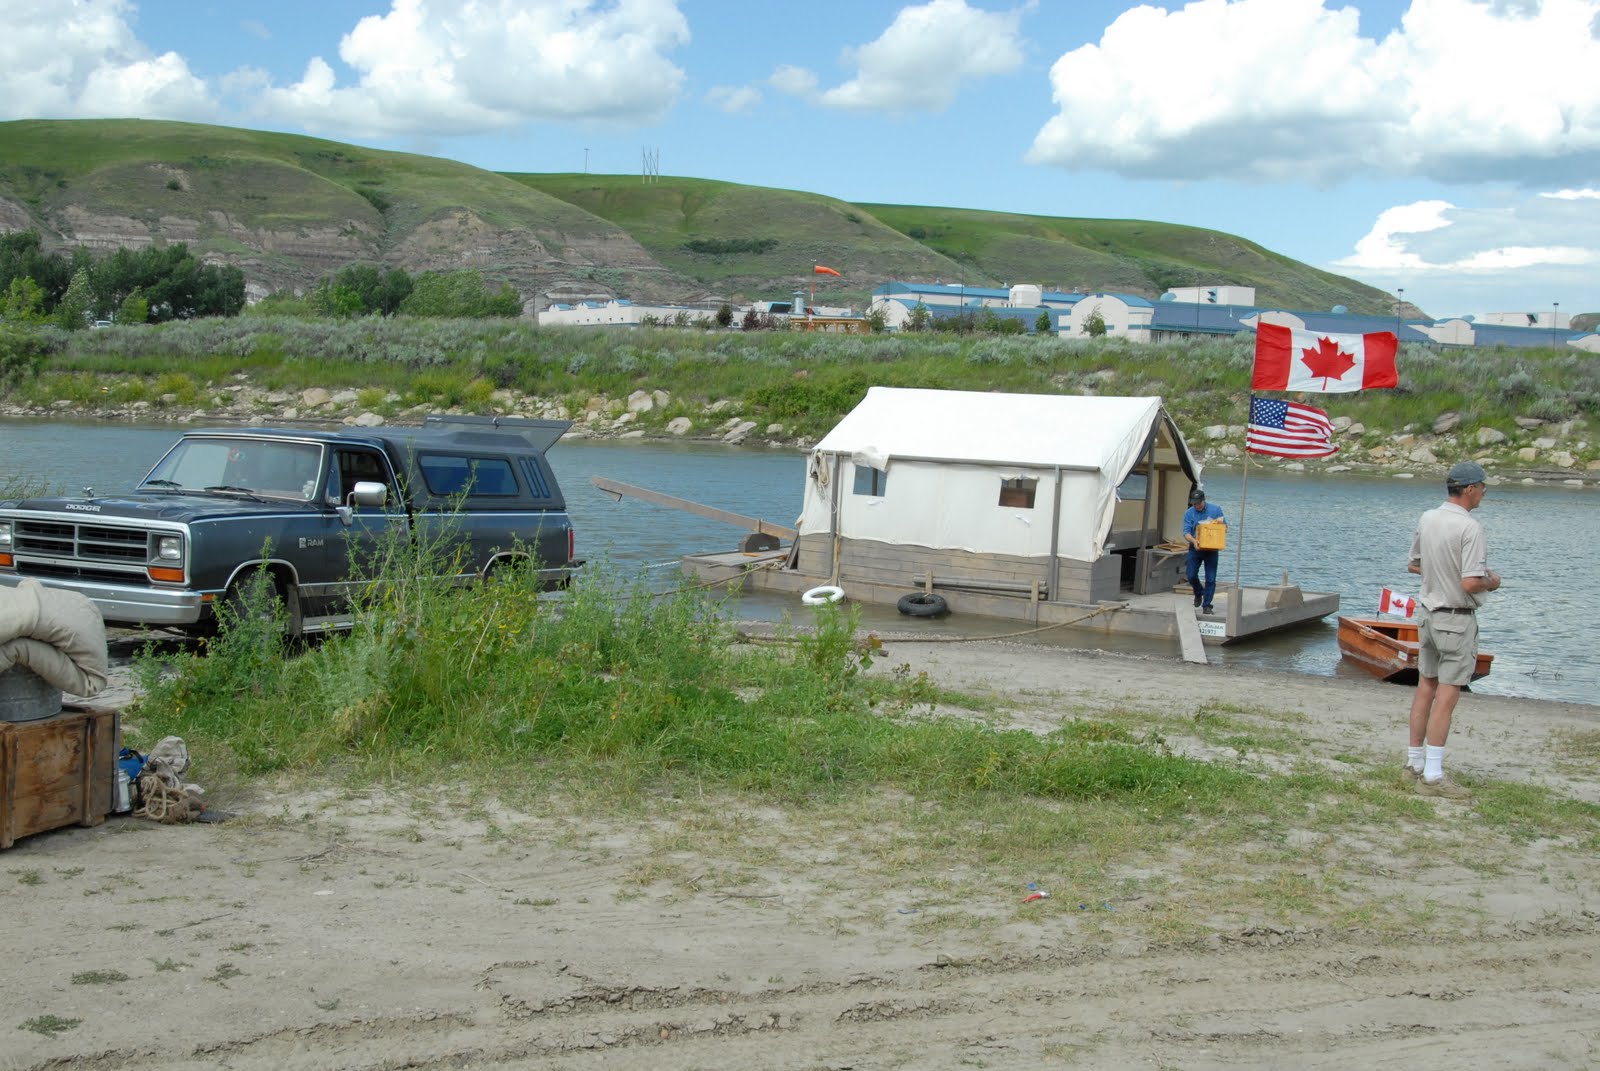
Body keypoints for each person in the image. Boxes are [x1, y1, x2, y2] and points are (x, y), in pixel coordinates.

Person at [1404, 460, 1502, 799]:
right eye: (1483, 487)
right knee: (1447, 696)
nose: (1484, 492)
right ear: (1470, 489)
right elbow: (1470, 582)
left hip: (1427, 614)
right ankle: (1432, 776)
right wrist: (1493, 581)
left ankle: (1414, 763)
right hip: (1456, 619)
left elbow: (1414, 564)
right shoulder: (1470, 528)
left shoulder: (1428, 517)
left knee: (1425, 688)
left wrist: (1441, 572)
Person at [1182, 486, 1225, 614]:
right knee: (1191, 575)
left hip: (1211, 549)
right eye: (1194, 504)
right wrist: (1194, 541)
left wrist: (1215, 526)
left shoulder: (1216, 509)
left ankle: (1207, 605)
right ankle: (1198, 592)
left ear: (1203, 500)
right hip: (1196, 547)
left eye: (1198, 503)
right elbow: (1186, 532)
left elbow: (1224, 527)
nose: (1197, 506)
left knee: (1211, 578)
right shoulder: (1189, 512)